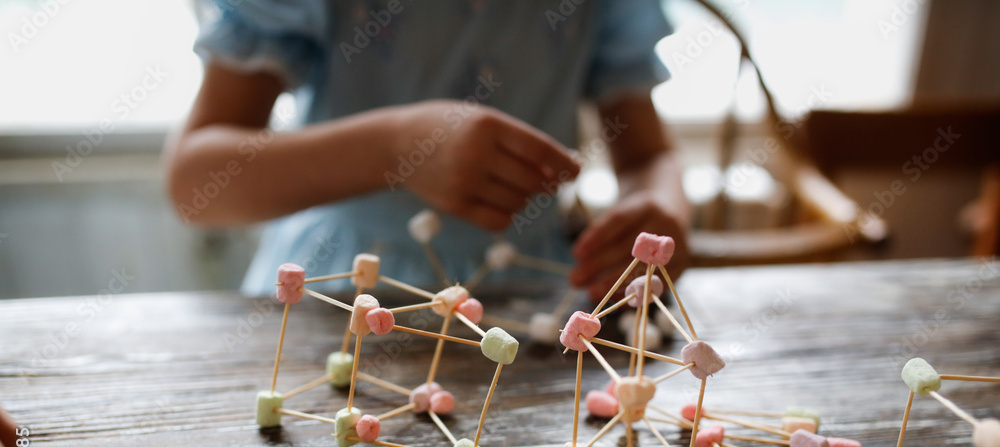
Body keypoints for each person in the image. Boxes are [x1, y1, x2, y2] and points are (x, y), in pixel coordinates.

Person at [166, 0, 690, 301]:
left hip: (534, 299)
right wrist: (391, 149)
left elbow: (646, 156)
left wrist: (662, 208)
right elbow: (196, 184)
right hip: (335, 291)